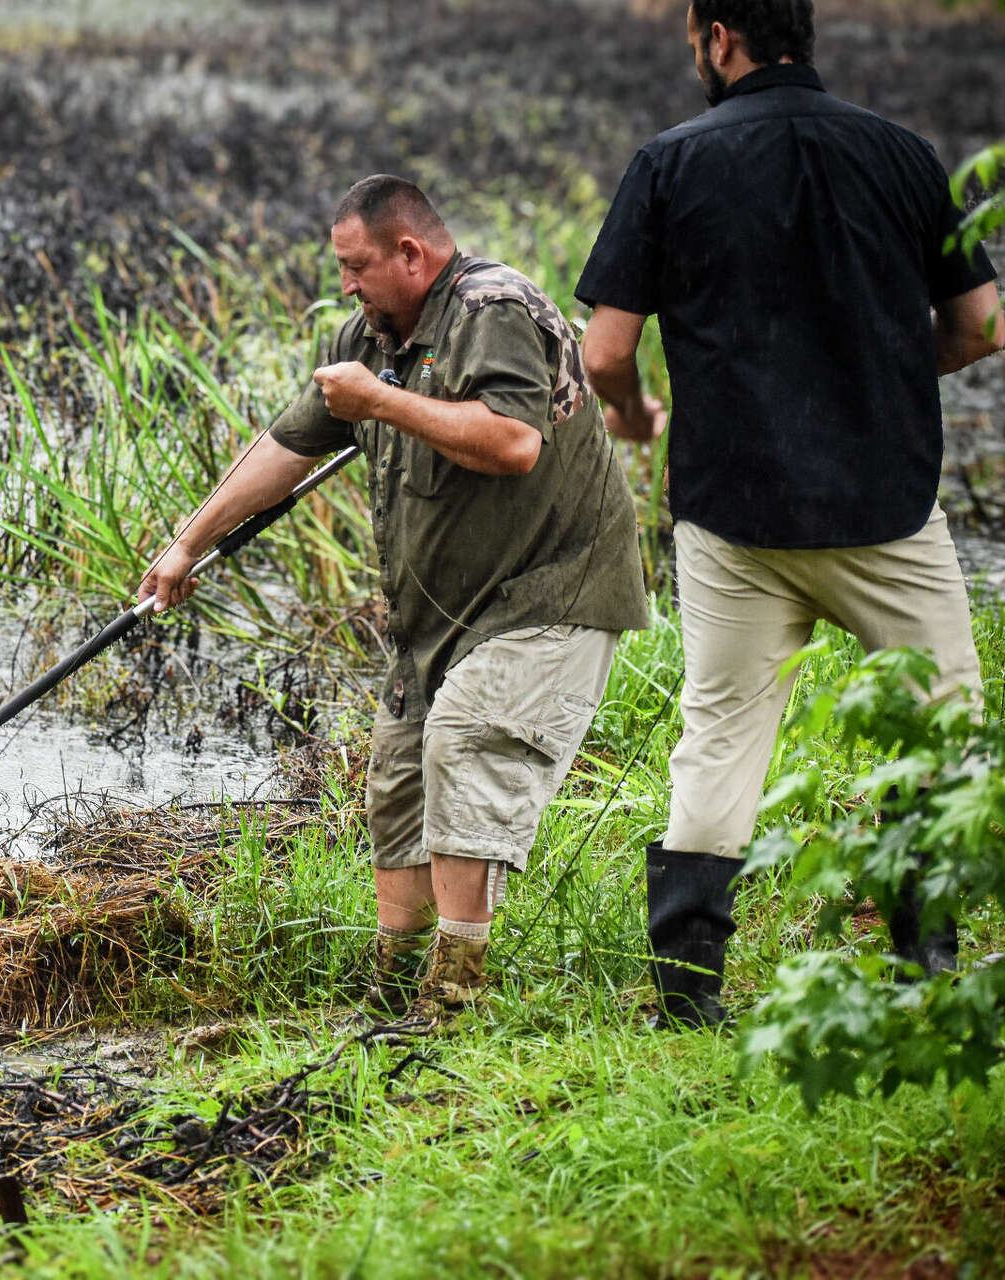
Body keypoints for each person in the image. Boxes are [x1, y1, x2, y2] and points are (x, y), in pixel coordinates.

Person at [577, 0, 1004, 1028]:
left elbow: (602, 351)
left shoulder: (668, 163)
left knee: (719, 736)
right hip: (885, 507)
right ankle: (923, 965)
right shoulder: (906, 156)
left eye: (694, 43)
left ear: (720, 36)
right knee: (943, 721)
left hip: (735, 513)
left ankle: (688, 999)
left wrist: (636, 414)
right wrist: (898, 367)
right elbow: (982, 326)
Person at [140, 175, 649, 1029]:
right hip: (436, 621)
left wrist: (379, 401)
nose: (345, 285)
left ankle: (453, 1001)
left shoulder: (495, 308)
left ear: (411, 254)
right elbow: (287, 445)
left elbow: (514, 440)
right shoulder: (374, 333)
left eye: (356, 266)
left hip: (547, 595)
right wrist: (187, 543)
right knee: (399, 778)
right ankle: (393, 989)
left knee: (465, 744)